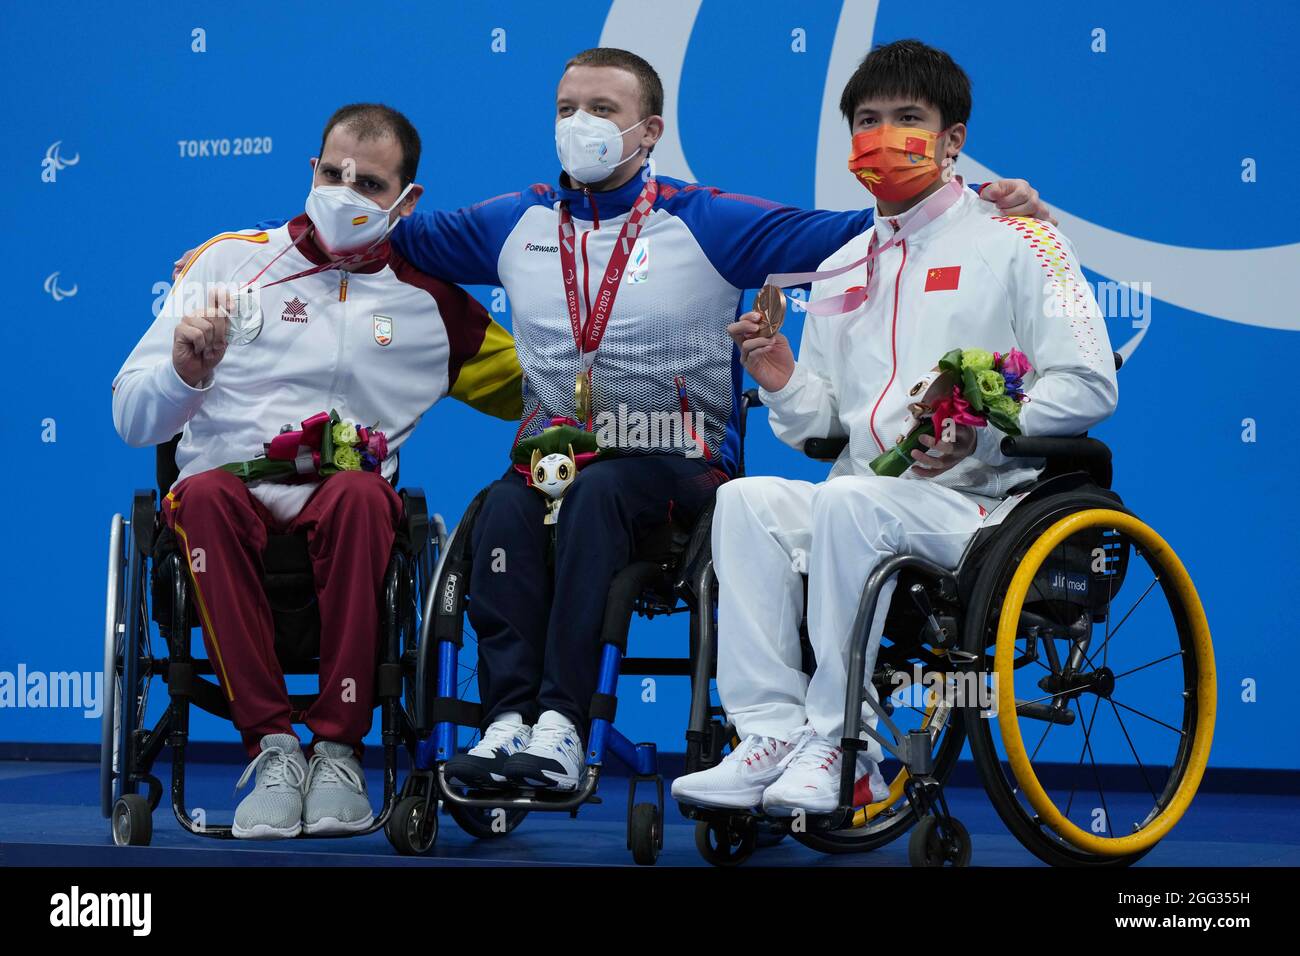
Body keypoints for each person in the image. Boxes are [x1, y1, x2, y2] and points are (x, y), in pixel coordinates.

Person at [176, 48, 1052, 793]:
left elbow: (861, 233)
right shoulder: (510, 224)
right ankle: (507, 724)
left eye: (602, 108)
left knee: (597, 495)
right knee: (502, 507)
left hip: (679, 469)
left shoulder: (708, 222)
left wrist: (984, 203)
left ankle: (564, 727)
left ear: (648, 132)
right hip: (554, 464)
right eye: (567, 107)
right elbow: (369, 222)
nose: (580, 122)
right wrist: (249, 252)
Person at [670, 39, 1118, 815]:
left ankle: (844, 747)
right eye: (868, 120)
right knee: (744, 502)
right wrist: (780, 376)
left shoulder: (1029, 238)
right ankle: (769, 731)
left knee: (848, 505)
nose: (885, 136)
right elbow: (822, 430)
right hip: (870, 500)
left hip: (987, 507)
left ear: (954, 140)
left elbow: (1089, 383)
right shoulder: (841, 265)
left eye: (909, 118)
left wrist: (981, 429)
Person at [113, 103, 521, 838]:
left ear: (406, 201)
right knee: (201, 494)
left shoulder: (436, 306)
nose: (345, 191)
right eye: (333, 173)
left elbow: (541, 388)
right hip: (226, 498)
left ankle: (336, 751)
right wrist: (183, 374)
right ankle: (272, 751)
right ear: (312, 170)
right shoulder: (228, 261)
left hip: (348, 508)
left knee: (365, 497)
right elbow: (132, 417)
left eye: (369, 183)